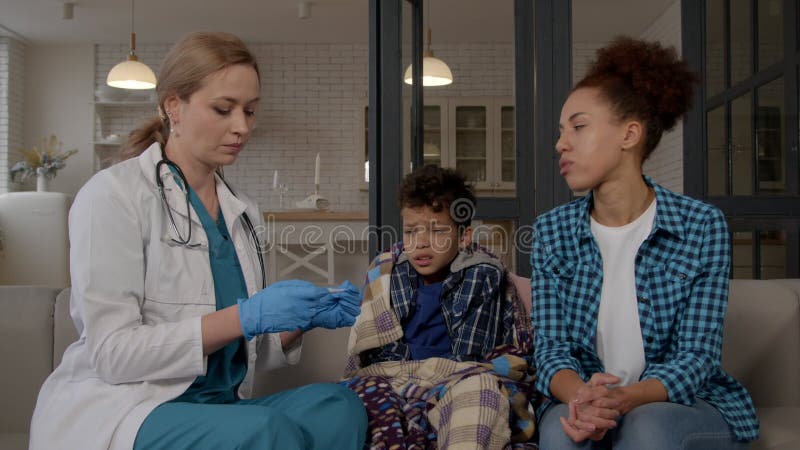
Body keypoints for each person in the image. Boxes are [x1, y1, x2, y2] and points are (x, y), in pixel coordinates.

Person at [29, 31, 367, 450]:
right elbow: (114, 354)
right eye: (223, 109)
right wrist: (246, 316)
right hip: (129, 408)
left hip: (217, 406)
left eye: (250, 111)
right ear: (174, 105)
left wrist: (299, 322)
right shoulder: (112, 195)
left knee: (338, 407)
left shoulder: (241, 211)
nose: (242, 126)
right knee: (265, 431)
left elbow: (244, 352)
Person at [530, 36, 759, 449]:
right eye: (561, 131)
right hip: (582, 398)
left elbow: (697, 357)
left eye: (578, 127)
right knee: (564, 436)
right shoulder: (550, 231)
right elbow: (550, 352)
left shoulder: (701, 226)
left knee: (645, 428)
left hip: (680, 404)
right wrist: (582, 398)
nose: (560, 144)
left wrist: (623, 400)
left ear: (629, 134)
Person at [341, 165, 540, 450]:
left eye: (436, 231)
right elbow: (375, 351)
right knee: (348, 404)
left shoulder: (482, 274)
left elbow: (469, 356)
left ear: (464, 237)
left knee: (482, 390)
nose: (420, 243)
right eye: (411, 231)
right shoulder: (387, 273)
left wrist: (424, 372)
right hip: (391, 377)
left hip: (460, 377)